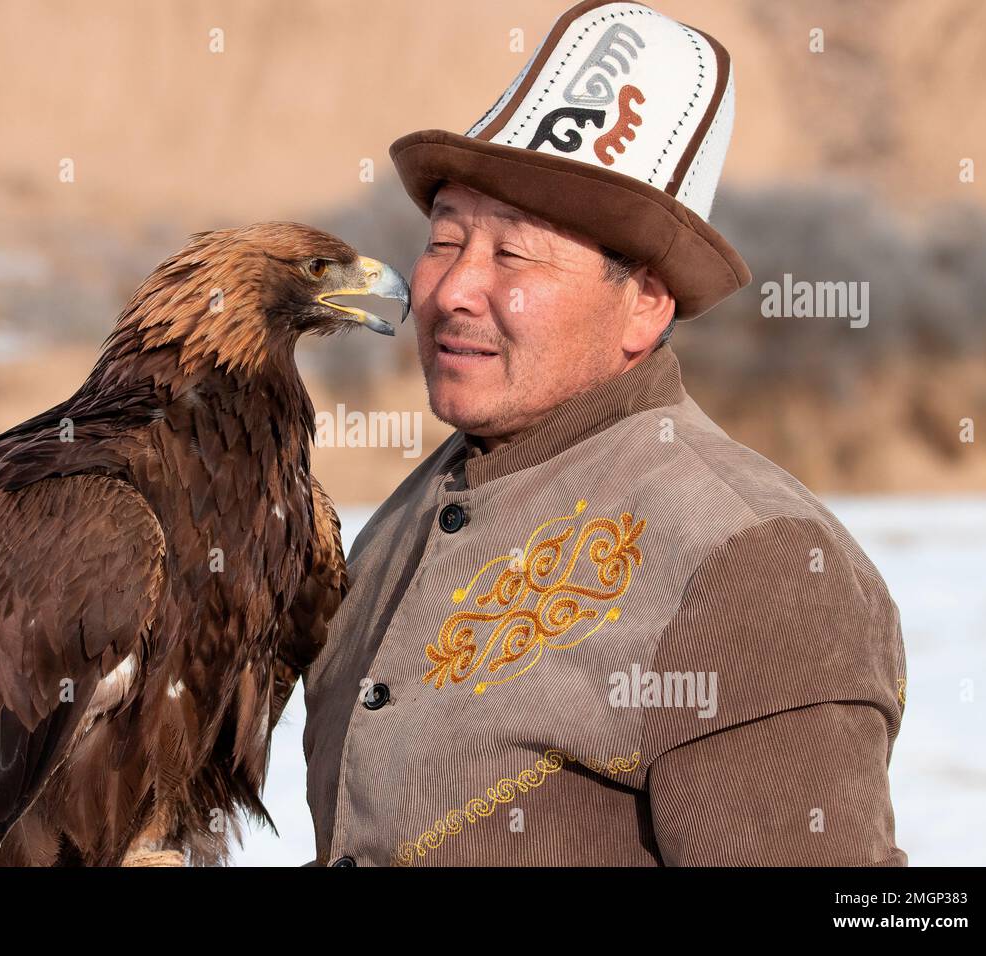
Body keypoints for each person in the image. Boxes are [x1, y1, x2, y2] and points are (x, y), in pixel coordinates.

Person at [302, 0, 907, 866]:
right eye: (445, 240)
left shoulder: (756, 565)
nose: (455, 289)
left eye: (513, 256)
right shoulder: (411, 515)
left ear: (645, 303)